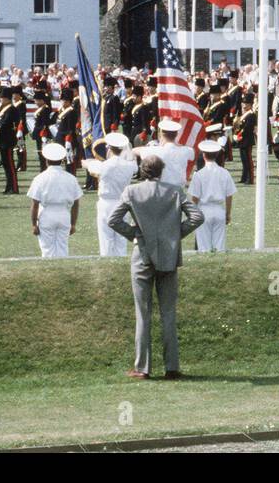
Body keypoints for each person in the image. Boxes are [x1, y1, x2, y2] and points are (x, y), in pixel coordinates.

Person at [107, 155, 203, 380]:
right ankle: (172, 367)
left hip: (142, 256)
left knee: (143, 313)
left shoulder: (132, 192)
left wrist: (136, 235)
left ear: (142, 171)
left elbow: (113, 220)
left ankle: (143, 368)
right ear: (161, 171)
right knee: (169, 313)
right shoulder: (175, 190)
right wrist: (175, 234)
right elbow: (197, 217)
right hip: (169, 257)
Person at [81, 132, 137, 256]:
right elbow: (134, 164)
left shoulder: (105, 165)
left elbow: (92, 167)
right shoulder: (130, 165)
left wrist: (86, 163)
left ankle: (107, 262)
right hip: (123, 203)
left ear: (109, 148)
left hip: (107, 203)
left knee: (106, 238)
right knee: (121, 239)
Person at [27, 143, 83, 258]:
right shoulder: (70, 178)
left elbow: (35, 204)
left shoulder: (40, 178)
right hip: (64, 214)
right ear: (62, 160)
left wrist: (33, 224)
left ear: (46, 160)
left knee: (47, 251)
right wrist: (73, 223)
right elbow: (76, 203)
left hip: (47, 214)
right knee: (63, 249)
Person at [188, 139, 235, 252]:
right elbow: (229, 195)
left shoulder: (199, 175)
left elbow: (195, 198)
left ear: (203, 155)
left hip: (204, 210)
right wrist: (228, 213)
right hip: (219, 209)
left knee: (203, 247)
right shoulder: (224, 173)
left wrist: (193, 214)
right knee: (219, 247)